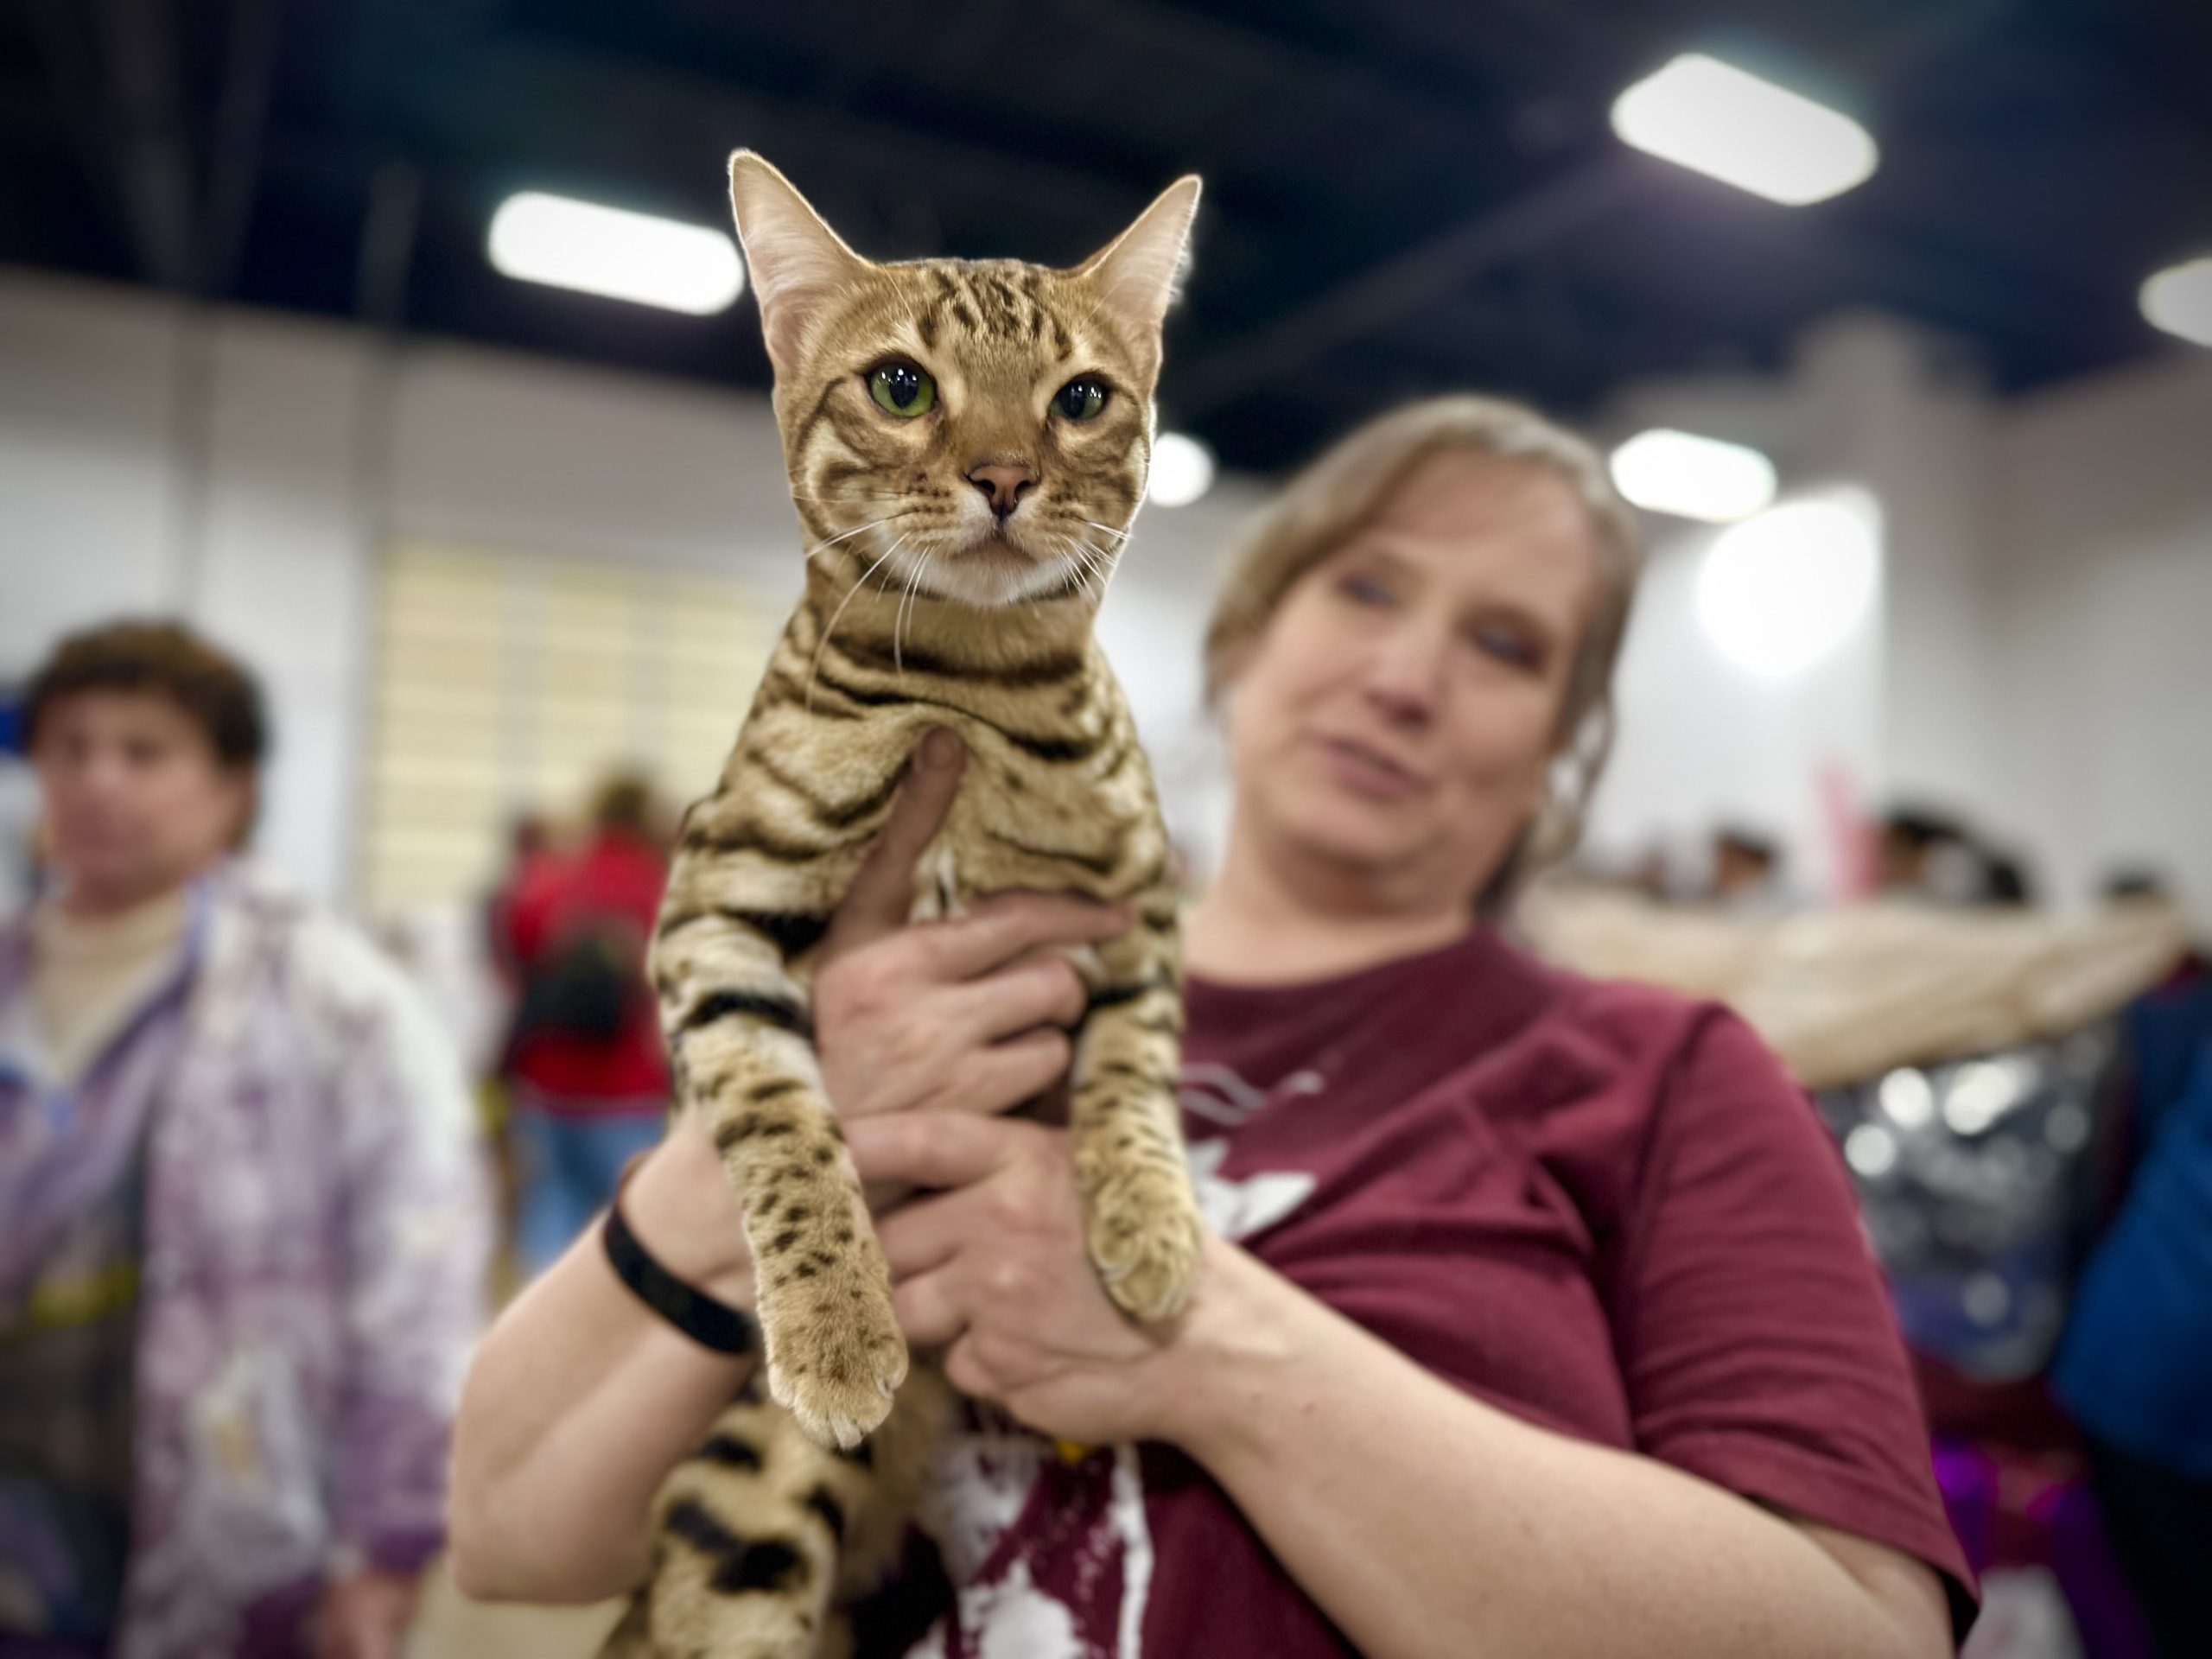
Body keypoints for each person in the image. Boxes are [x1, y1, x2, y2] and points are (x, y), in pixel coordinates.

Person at [448, 397, 1973, 1656]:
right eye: (1366, 588)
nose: (1403, 678)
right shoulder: (943, 983)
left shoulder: (1658, 1076)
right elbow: (514, 1525)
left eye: (1505, 647)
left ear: (1559, 763)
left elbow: (1864, 1639)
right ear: (1245, 636)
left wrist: (1205, 1345)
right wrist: (774, 1137)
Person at [0, 621, 490, 1659]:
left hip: (223, 1545)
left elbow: (421, 1281)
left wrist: (387, 1544)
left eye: (144, 751)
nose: (99, 780)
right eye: (71, 746)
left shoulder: (337, 1001)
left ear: (233, 786)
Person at [496, 772, 673, 1275]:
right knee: (633, 1232)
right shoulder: (657, 886)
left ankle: (541, 1335)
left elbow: (514, 951)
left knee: (549, 1211)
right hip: (627, 1091)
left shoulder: (550, 876)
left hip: (546, 1082)